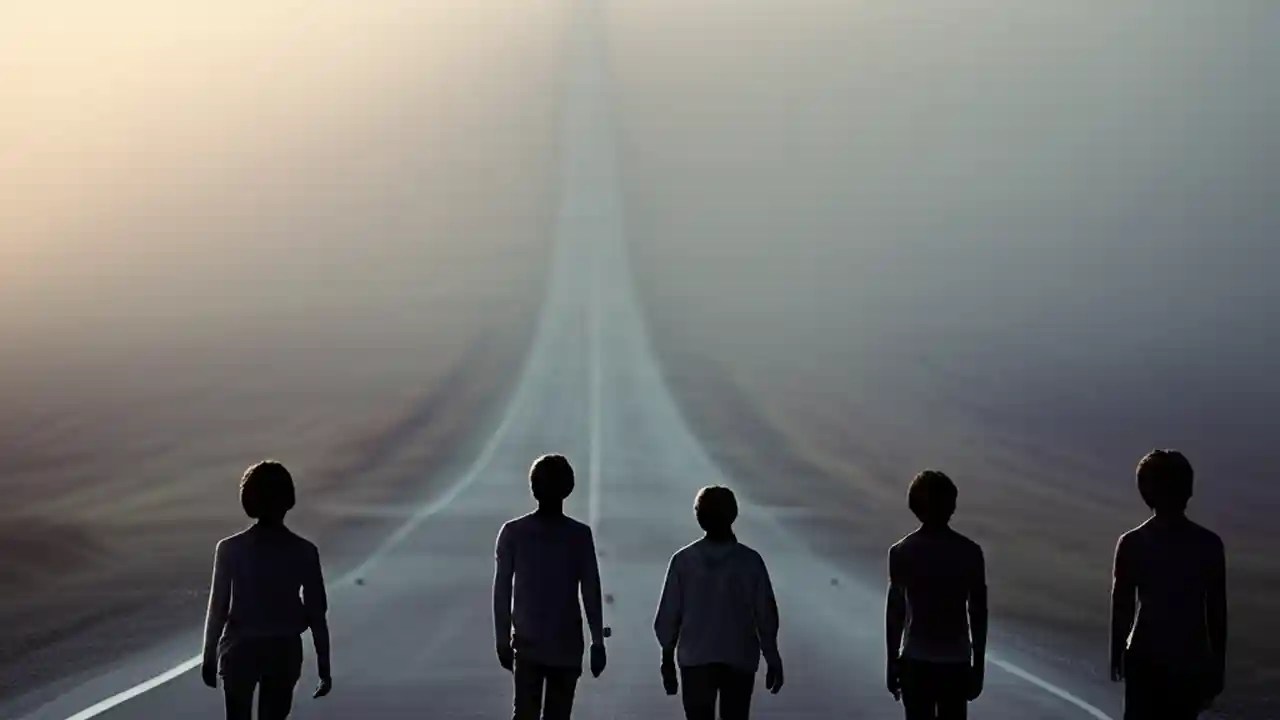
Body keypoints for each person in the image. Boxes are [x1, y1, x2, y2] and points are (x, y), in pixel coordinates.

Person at [202, 460, 332, 720]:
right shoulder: (304, 551)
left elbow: (218, 608)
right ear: (288, 500)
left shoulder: (229, 549)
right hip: (283, 649)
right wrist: (324, 667)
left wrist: (208, 656)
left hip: (239, 648)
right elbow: (317, 613)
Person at [1111, 449, 1227, 720]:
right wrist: (1217, 665)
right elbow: (1217, 612)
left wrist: (1117, 652)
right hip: (1188, 654)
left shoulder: (1132, 543)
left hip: (1145, 655)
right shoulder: (1208, 544)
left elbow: (1122, 606)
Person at [654, 485, 784, 720]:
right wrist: (772, 655)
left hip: (696, 659)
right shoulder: (750, 562)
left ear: (699, 517)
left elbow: (668, 616)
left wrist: (667, 658)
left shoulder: (684, 561)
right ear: (733, 515)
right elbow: (766, 615)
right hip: (739, 658)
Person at [493, 454, 607, 720]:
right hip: (566, 644)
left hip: (528, 642)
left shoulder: (513, 533)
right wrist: (597, 641)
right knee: (559, 713)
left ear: (533, 487)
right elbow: (590, 589)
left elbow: (502, 591)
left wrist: (501, 638)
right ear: (568, 488)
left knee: (525, 712)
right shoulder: (579, 535)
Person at [885, 470, 987, 720]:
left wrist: (891, 660)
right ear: (951, 505)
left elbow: (895, 611)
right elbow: (978, 612)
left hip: (916, 659)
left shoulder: (901, 552)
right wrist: (978, 665)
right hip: (955, 661)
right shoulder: (969, 552)